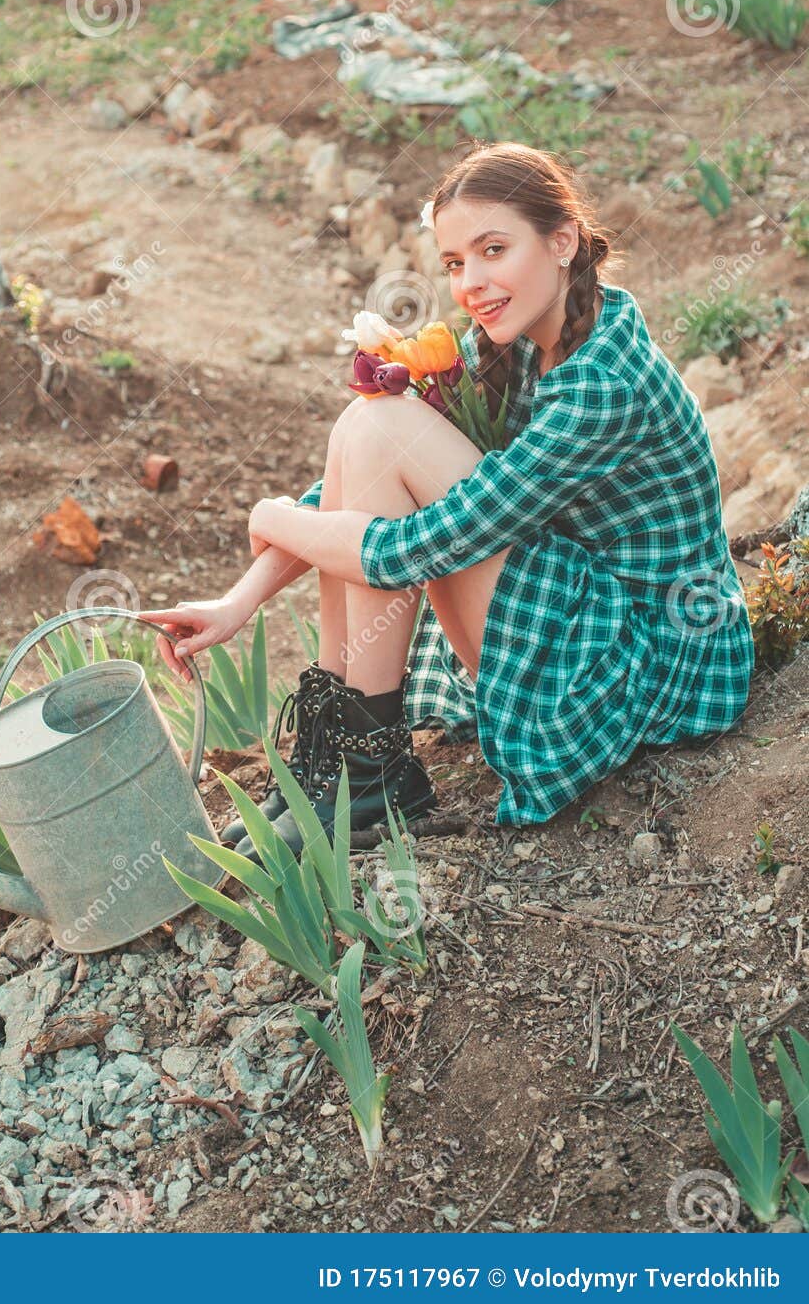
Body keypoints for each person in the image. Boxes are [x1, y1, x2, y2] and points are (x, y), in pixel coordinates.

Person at [139, 141, 754, 855]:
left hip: (654, 667)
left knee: (385, 424)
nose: (472, 282)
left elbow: (421, 546)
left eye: (494, 249)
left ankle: (365, 770)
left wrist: (268, 516)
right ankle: (345, 756)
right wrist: (238, 600)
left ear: (563, 241)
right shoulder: (516, 340)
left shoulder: (604, 382)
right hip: (584, 617)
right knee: (368, 420)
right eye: (456, 263)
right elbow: (355, 489)